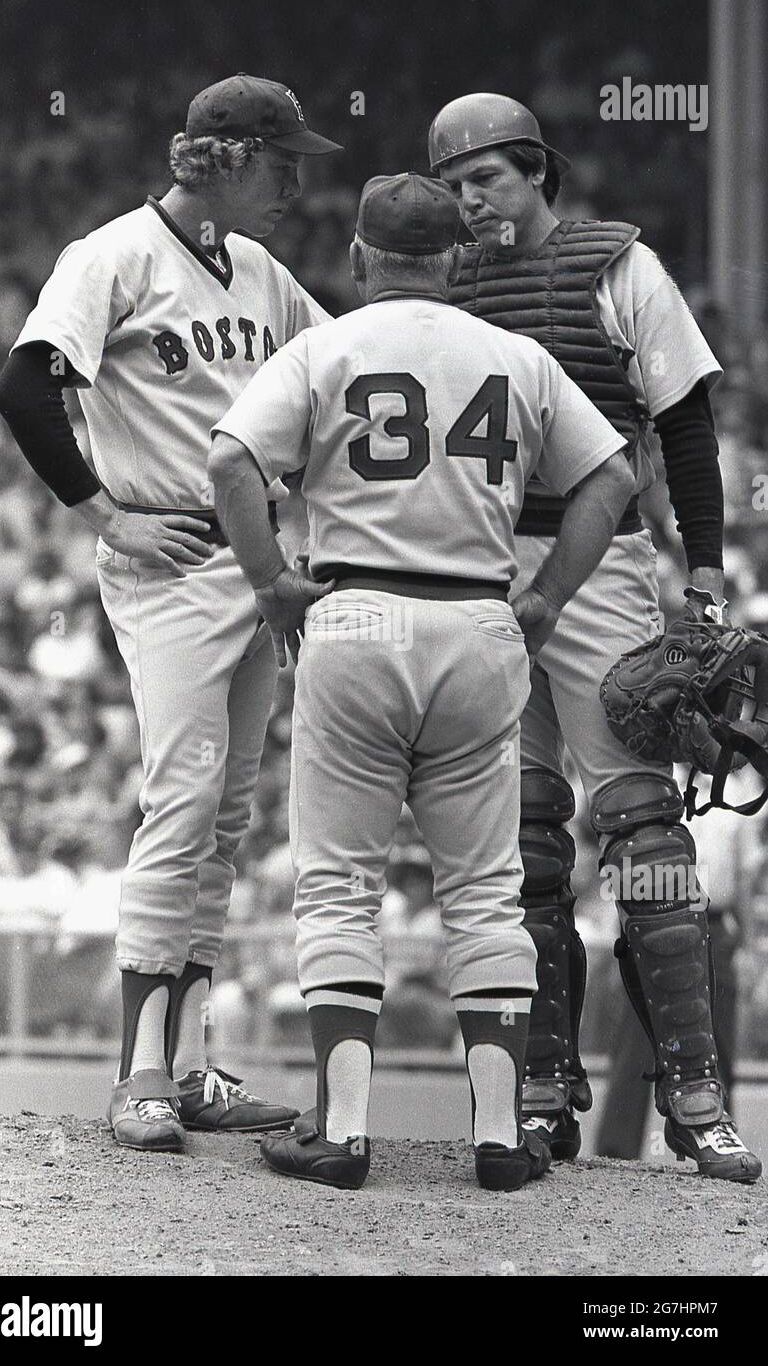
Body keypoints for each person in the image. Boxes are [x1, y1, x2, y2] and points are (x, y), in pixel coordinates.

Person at [207, 172, 635, 1191]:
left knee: (338, 884)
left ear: (359, 258)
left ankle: (342, 1130)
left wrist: (271, 583)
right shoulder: (516, 356)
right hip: (479, 620)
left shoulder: (323, 347)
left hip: (354, 611)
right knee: (485, 890)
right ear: (455, 261)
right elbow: (612, 477)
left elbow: (229, 465)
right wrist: (547, 600)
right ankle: (498, 1136)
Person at [0, 74, 341, 1152]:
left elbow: (344, 369)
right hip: (168, 544)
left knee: (228, 820)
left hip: (249, 554)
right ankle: (140, 1072)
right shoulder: (113, 257)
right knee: (183, 802)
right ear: (227, 157)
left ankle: (186, 1064)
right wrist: (104, 514)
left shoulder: (266, 274)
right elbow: (24, 387)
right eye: (283, 161)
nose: (296, 182)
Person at [427, 91, 761, 1181]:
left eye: (485, 177)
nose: (469, 198)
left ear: (534, 171)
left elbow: (684, 424)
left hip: (596, 559)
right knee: (521, 838)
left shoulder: (620, 266)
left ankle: (698, 1096)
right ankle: (538, 1084)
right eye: (455, 182)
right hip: (477, 568)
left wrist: (702, 575)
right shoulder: (442, 280)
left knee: (643, 827)